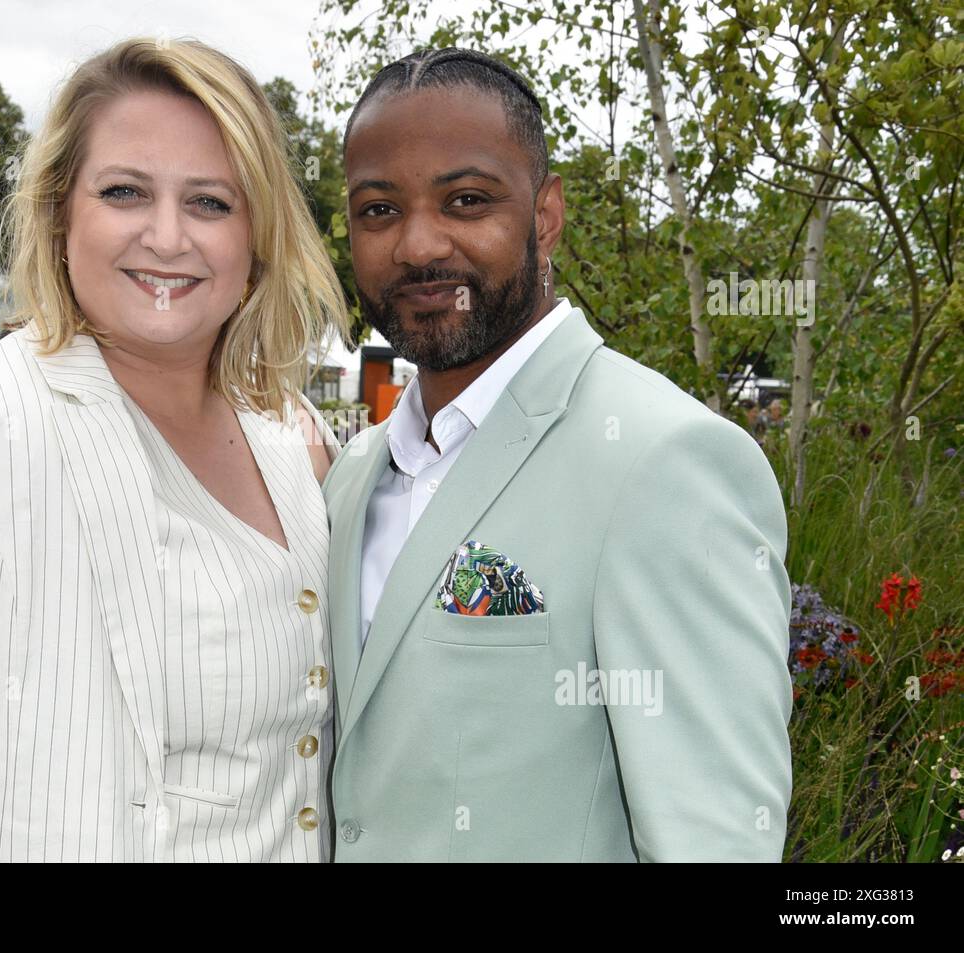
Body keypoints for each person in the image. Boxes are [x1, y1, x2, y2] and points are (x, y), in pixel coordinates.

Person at [0, 37, 348, 862]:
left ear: (256, 240)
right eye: (125, 191)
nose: (167, 237)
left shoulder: (294, 441)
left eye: (211, 201)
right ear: (61, 212)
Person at [321, 48, 792, 861]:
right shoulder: (352, 476)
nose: (418, 245)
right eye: (379, 210)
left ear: (545, 215)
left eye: (466, 200)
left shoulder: (665, 459)